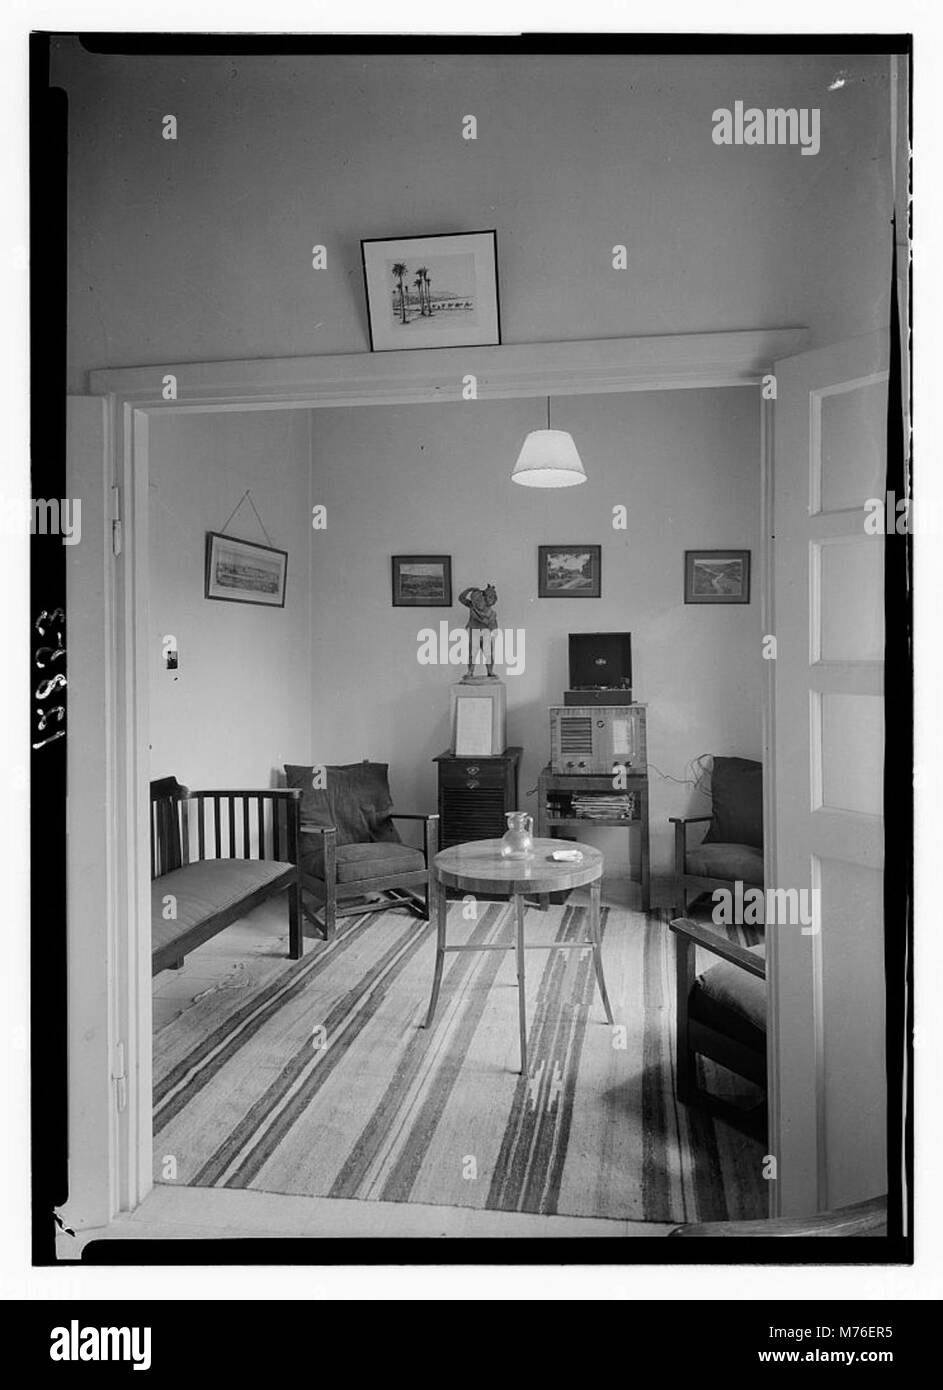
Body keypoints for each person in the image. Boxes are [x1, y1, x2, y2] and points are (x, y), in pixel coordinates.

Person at [458, 583, 498, 679]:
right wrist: (469, 589)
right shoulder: (473, 605)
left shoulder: (491, 612)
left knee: (488, 653)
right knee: (472, 653)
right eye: (488, 596)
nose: (490, 599)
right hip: (474, 631)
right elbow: (461, 598)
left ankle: (490, 671)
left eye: (491, 597)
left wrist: (493, 631)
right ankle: (470, 671)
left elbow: (493, 624)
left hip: (486, 633)